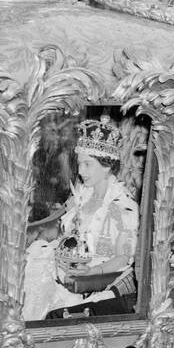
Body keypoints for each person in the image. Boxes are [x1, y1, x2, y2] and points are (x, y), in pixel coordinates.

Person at [22, 116, 139, 321]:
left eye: (88, 164)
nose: (81, 171)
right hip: (67, 269)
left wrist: (92, 271)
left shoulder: (123, 206)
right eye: (79, 164)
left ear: (107, 166)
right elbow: (68, 238)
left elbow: (124, 258)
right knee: (33, 261)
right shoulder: (80, 198)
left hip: (95, 279)